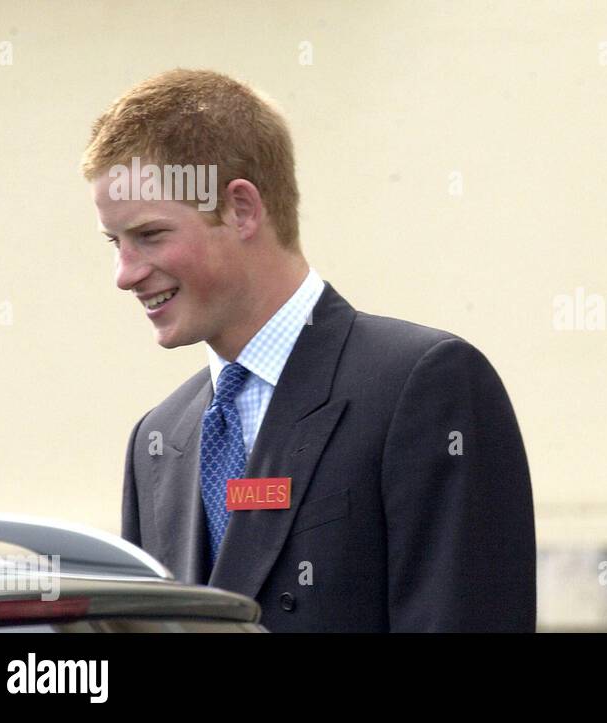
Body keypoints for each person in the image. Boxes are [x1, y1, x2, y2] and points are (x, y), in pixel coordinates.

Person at [84, 69, 535, 632]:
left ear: (242, 209)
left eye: (149, 235)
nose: (124, 276)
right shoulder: (158, 441)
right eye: (114, 242)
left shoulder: (423, 384)